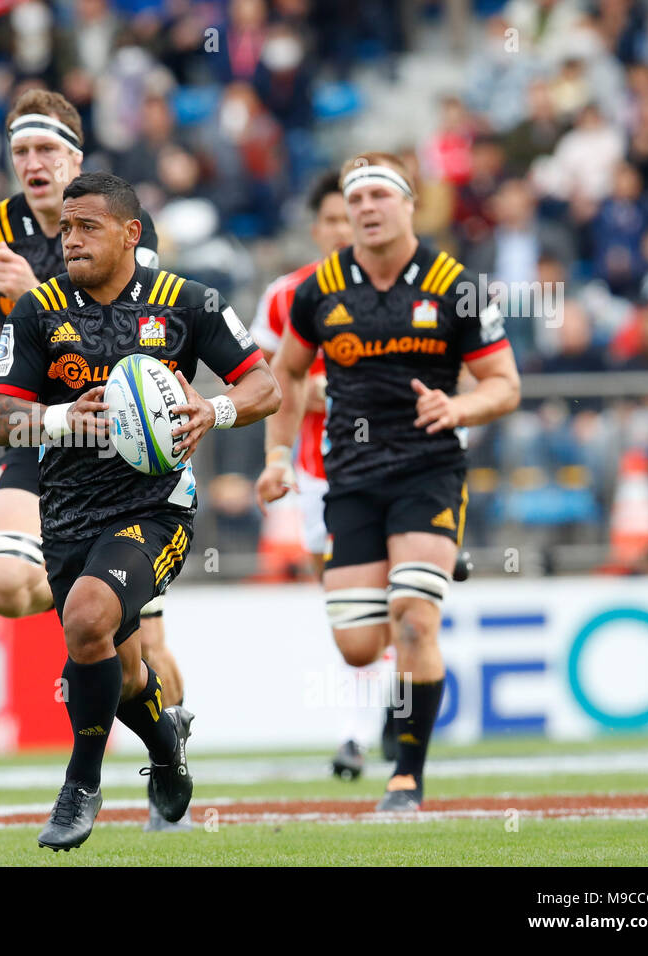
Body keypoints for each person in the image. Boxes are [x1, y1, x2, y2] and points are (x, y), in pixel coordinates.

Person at [0, 171, 280, 849]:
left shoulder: (189, 302)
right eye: (64, 227)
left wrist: (215, 409)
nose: (71, 240)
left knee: (87, 618)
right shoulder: (37, 311)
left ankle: (80, 784)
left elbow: (262, 383)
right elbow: (4, 421)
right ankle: (166, 739)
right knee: (116, 671)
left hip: (155, 508)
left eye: (87, 226)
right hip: (66, 514)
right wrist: (63, 419)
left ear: (130, 233)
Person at [0, 90, 188, 831]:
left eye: (46, 151)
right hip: (44, 435)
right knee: (8, 587)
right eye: (20, 153)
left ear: (76, 156)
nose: (32, 165)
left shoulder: (117, 218)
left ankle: (167, 770)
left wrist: (34, 294)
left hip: (124, 459)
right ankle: (98, 620)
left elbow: (133, 337)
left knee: (146, 660)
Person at [256, 152, 520, 812]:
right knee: (357, 646)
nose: (366, 208)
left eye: (379, 194)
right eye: (356, 198)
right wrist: (278, 456)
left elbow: (506, 386)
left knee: (411, 623)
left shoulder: (455, 285)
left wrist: (458, 408)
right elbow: (284, 374)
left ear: (409, 204)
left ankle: (407, 774)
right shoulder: (319, 290)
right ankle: (423, 570)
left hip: (428, 470)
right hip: (348, 479)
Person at [250, 170, 393, 780]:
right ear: (317, 228)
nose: (344, 228)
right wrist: (278, 449)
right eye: (333, 218)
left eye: (353, 216)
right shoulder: (288, 296)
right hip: (317, 475)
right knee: (348, 605)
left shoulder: (393, 289)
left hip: (392, 467)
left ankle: (357, 735)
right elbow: (264, 380)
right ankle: (384, 705)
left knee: (374, 598)